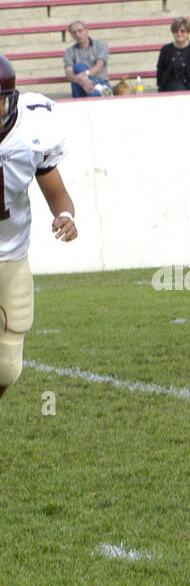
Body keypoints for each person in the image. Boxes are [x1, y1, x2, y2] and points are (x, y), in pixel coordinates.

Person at [0, 55, 77, 401]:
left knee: (6, 367)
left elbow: (58, 193)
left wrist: (66, 216)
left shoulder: (33, 130)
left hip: (12, 254)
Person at [156, 17, 190, 92]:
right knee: (178, 89)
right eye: (176, 31)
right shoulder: (166, 50)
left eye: (182, 31)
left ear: (188, 33)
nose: (179, 33)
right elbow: (160, 71)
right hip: (173, 82)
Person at [63, 21, 110, 98]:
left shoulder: (101, 46)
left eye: (80, 31)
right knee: (78, 66)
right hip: (80, 86)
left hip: (101, 81)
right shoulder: (69, 51)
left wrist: (84, 75)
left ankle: (96, 87)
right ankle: (98, 88)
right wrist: (81, 81)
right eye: (74, 32)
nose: (78, 34)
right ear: (71, 35)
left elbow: (99, 66)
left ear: (87, 31)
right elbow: (69, 72)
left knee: (79, 66)